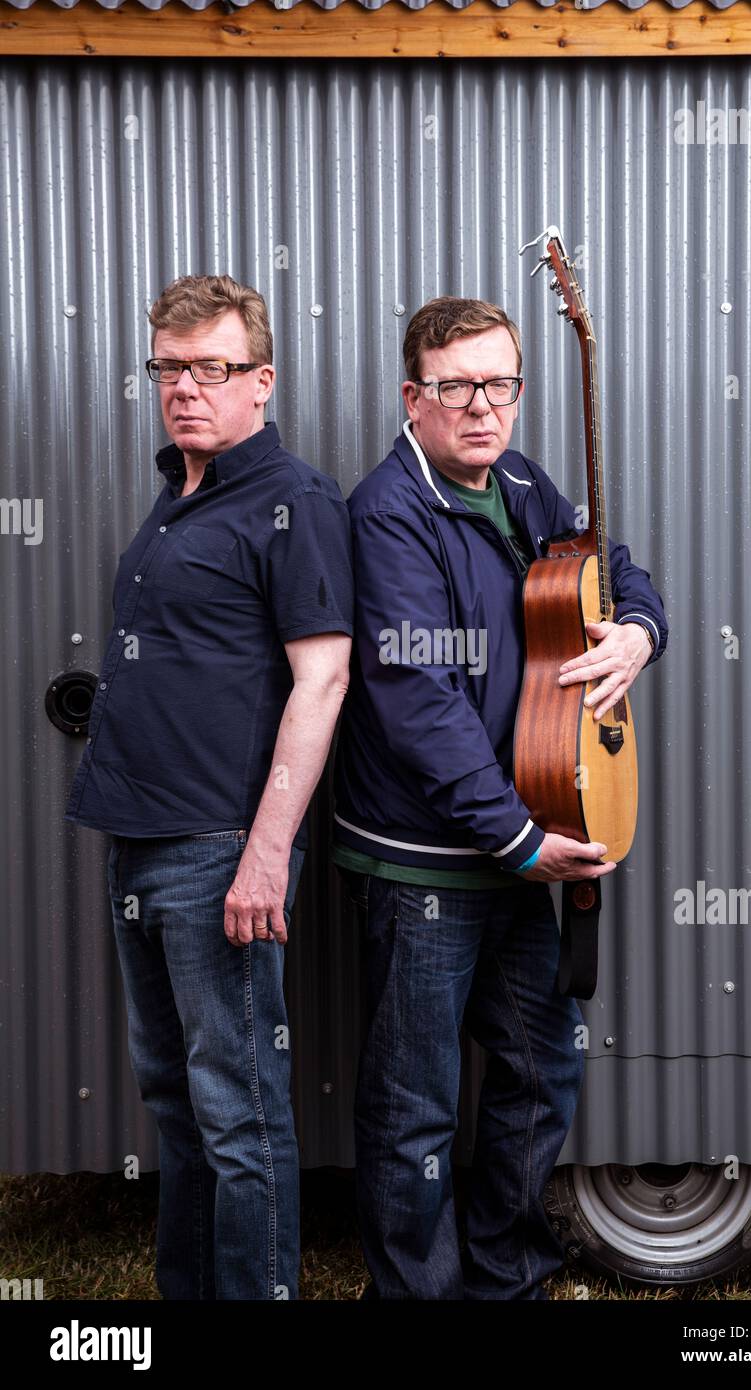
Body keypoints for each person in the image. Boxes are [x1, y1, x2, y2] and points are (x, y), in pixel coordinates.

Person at [333, 295, 667, 1300]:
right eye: (456, 386)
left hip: (534, 839)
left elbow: (605, 563)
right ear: (413, 396)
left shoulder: (520, 480)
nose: (482, 407)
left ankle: (508, 1280)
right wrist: (519, 838)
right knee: (415, 1107)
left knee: (537, 1075)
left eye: (500, 384)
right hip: (426, 862)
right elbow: (415, 704)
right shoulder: (385, 514)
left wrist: (639, 630)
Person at [64, 274, 353, 1300]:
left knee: (239, 1110)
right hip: (137, 839)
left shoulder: (294, 501)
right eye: (169, 367)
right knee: (175, 1100)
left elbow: (321, 681)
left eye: (212, 367)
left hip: (218, 848)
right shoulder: (179, 492)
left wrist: (265, 851)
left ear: (260, 380)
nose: (186, 387)